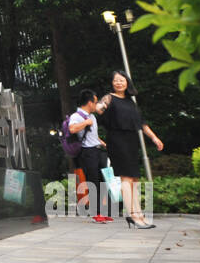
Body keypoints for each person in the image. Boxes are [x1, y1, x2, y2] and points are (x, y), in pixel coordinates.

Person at [98, 70, 164, 228]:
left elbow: (141, 122)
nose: (119, 82)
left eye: (122, 80)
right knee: (126, 178)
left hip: (131, 141)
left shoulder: (130, 101)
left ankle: (139, 216)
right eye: (116, 80)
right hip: (117, 140)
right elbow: (100, 107)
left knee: (134, 179)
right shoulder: (109, 97)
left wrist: (154, 138)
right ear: (112, 83)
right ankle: (133, 216)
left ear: (127, 82)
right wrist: (100, 106)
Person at [69, 89, 112, 222]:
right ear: (89, 102)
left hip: (98, 150)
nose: (96, 104)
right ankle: (96, 212)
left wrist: (103, 143)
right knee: (93, 181)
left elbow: (93, 135)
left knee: (103, 181)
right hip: (87, 152)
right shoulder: (76, 116)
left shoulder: (92, 116)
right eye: (95, 101)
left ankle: (102, 211)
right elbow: (72, 129)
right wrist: (85, 123)